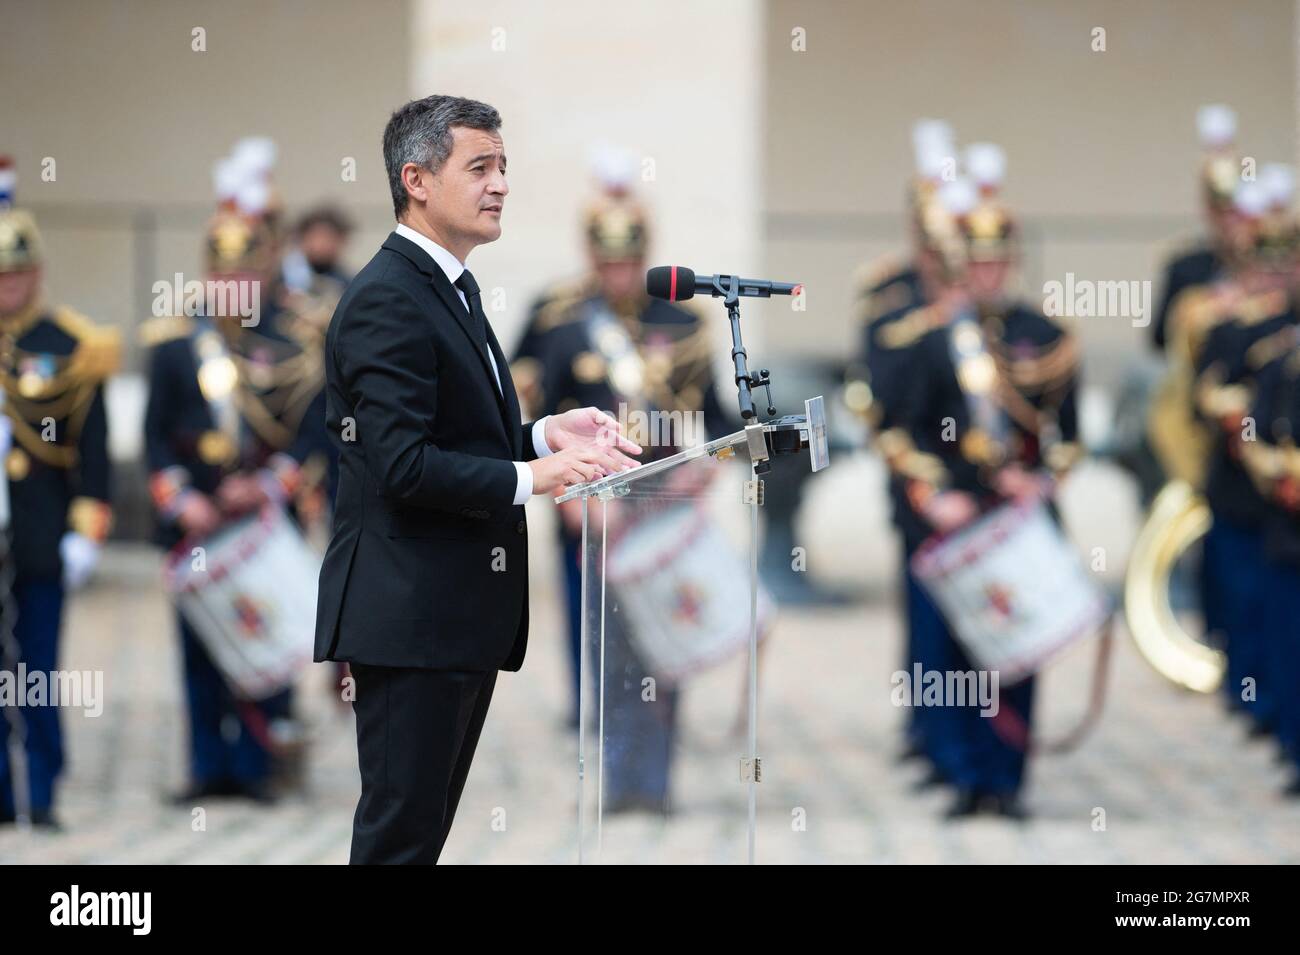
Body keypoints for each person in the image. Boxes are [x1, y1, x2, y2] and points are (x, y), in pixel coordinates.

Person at [313, 94, 640, 864]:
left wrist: (540, 432)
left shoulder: (447, 287)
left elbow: (453, 435)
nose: (499, 185)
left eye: (503, 169)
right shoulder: (389, 298)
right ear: (416, 179)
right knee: (397, 842)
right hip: (409, 614)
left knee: (419, 841)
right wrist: (536, 475)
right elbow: (402, 465)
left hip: (451, 615)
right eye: (480, 167)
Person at [873, 177, 1082, 819]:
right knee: (950, 653)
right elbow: (897, 430)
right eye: (978, 261)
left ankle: (1007, 781)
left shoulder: (1044, 337)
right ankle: (963, 777)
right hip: (954, 518)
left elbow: (1069, 437)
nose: (988, 273)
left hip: (1017, 520)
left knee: (1014, 653)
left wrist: (1042, 477)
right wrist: (932, 494)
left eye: (998, 260)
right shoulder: (933, 338)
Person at [144, 182, 328, 804]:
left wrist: (272, 483)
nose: (234, 287)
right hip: (197, 522)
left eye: (245, 274)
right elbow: (154, 437)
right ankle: (207, 765)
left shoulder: (296, 342)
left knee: (265, 634)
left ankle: (257, 767)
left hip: (266, 522)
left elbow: (315, 432)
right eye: (223, 274)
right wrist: (179, 500)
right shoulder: (173, 345)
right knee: (200, 648)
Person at [0, 157, 117, 829]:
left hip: (42, 536)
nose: (8, 286)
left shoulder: (70, 344)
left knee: (39, 671)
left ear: (36, 274)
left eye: (17, 274)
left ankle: (41, 789)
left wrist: (87, 533)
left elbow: (92, 453)